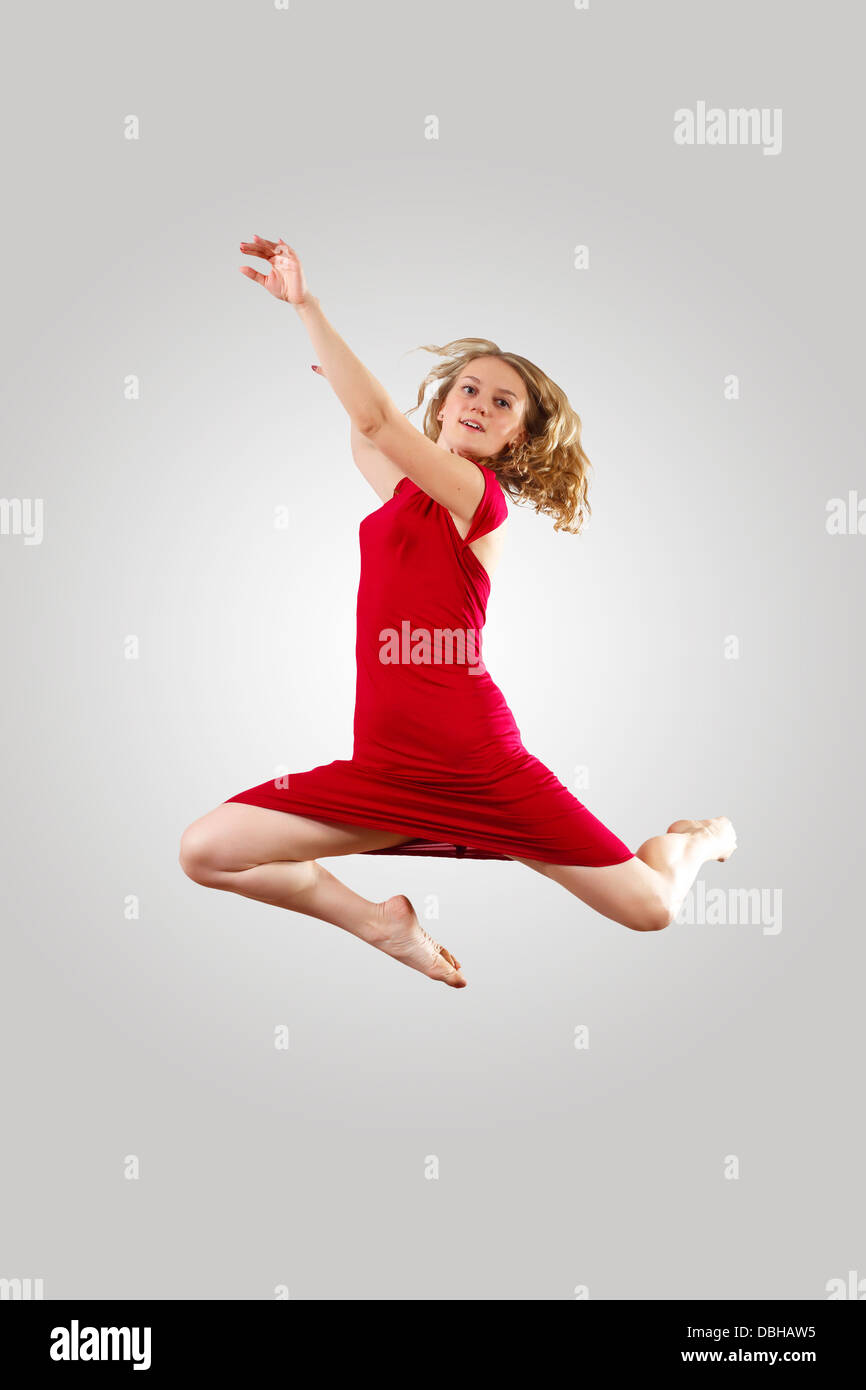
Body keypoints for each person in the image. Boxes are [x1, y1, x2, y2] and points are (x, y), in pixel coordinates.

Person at [179, 234, 736, 989]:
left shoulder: (480, 502)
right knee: (206, 852)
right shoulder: (407, 494)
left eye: (503, 403)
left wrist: (306, 307)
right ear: (442, 404)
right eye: (469, 389)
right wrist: (341, 386)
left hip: (478, 764)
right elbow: (369, 435)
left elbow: (379, 425)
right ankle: (379, 923)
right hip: (388, 767)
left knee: (652, 908)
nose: (480, 404)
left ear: (517, 436)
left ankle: (696, 840)